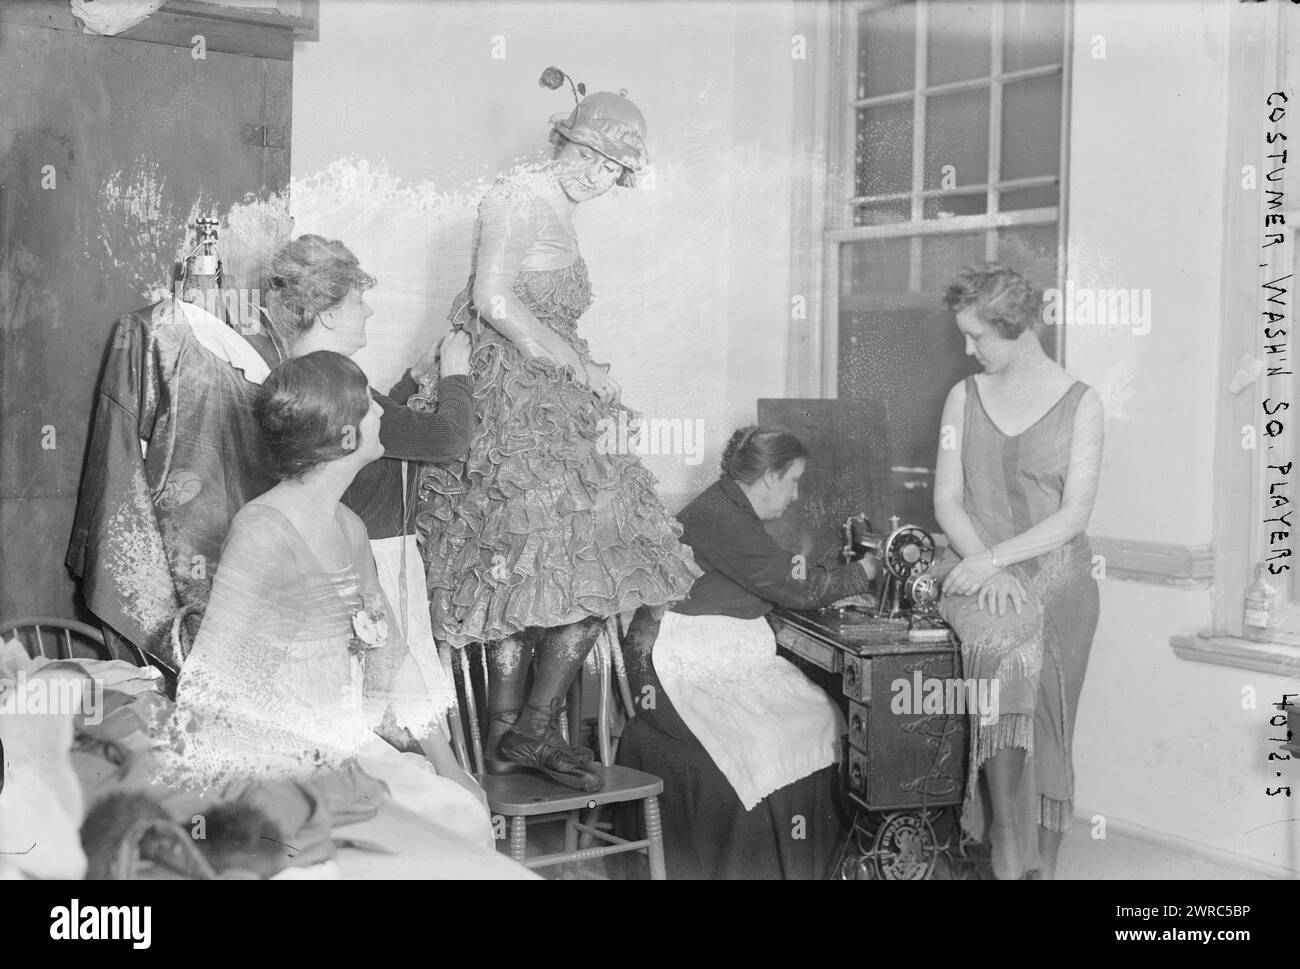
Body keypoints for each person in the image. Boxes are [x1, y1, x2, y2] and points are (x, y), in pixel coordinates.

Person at [416, 82, 699, 792]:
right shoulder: (517, 195)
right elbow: (492, 298)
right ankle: (523, 730)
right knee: (540, 561)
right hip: (513, 402)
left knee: (584, 562)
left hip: (552, 395)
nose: (601, 179)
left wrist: (579, 360)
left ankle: (527, 729)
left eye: (614, 172)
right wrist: (570, 358)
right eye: (595, 160)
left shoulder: (558, 206)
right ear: (566, 140)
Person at [158, 351, 528, 877]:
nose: (381, 414)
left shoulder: (349, 526)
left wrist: (449, 764)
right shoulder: (261, 529)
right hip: (273, 751)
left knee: (459, 811)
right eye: (370, 407)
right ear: (345, 435)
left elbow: (390, 652)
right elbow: (211, 677)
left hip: (342, 743)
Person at [616, 426, 878, 879]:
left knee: (819, 714)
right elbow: (797, 586)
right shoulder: (722, 517)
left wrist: (830, 578)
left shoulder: (725, 506)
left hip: (700, 648)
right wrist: (866, 570)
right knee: (780, 731)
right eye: (794, 481)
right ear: (771, 476)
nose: (795, 495)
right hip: (675, 660)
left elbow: (774, 577)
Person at [260, 234, 477, 725]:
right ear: (330, 314)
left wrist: (412, 377)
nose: (369, 311)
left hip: (354, 552)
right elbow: (447, 439)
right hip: (375, 561)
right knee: (397, 703)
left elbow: (380, 435)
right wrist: (456, 377)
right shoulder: (343, 388)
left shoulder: (309, 379)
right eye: (359, 299)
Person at [933, 264, 1104, 880]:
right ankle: (1005, 845)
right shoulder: (963, 396)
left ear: (1017, 329)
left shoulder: (1083, 403)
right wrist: (986, 566)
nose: (968, 348)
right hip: (976, 567)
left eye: (977, 336)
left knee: (1051, 729)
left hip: (1058, 578)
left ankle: (1043, 869)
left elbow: (1075, 514)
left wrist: (997, 561)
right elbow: (947, 501)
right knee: (1002, 673)